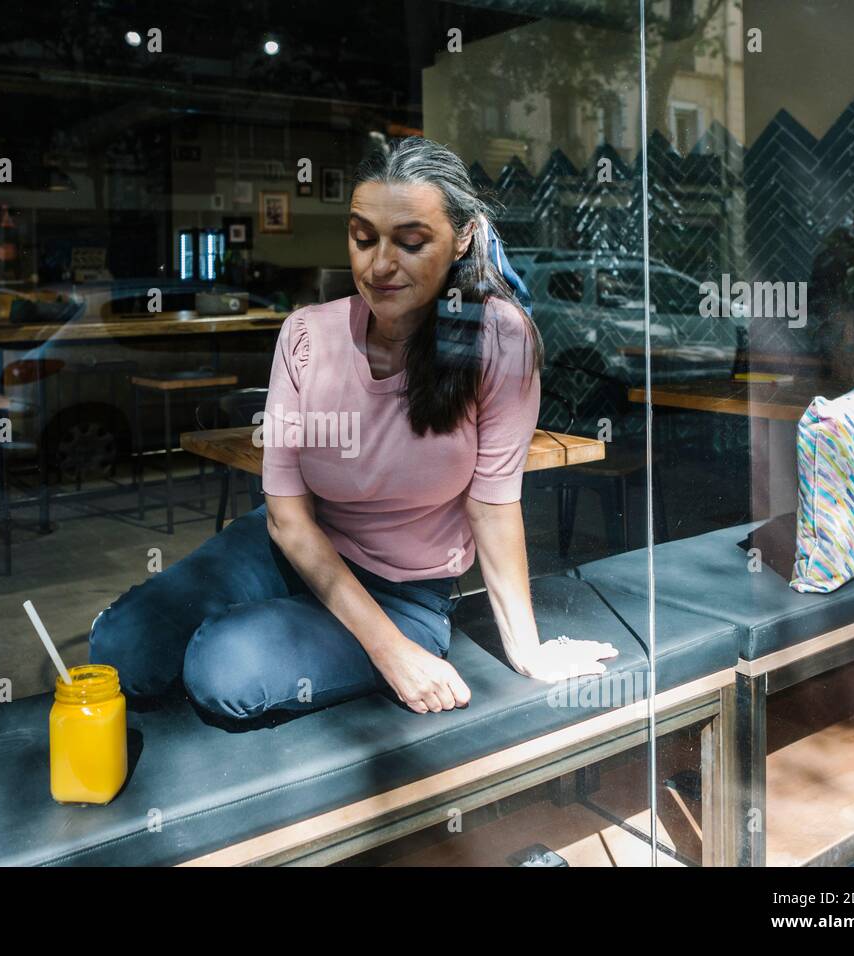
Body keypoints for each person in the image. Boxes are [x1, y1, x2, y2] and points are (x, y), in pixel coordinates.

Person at [90, 136, 616, 722]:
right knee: (122, 647)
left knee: (223, 666)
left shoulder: (499, 339)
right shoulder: (307, 334)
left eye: (411, 243)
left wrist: (524, 651)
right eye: (363, 238)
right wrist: (389, 656)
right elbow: (288, 518)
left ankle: (252, 632)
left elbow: (492, 508)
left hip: (403, 591)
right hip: (288, 548)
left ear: (462, 237)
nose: (379, 265)